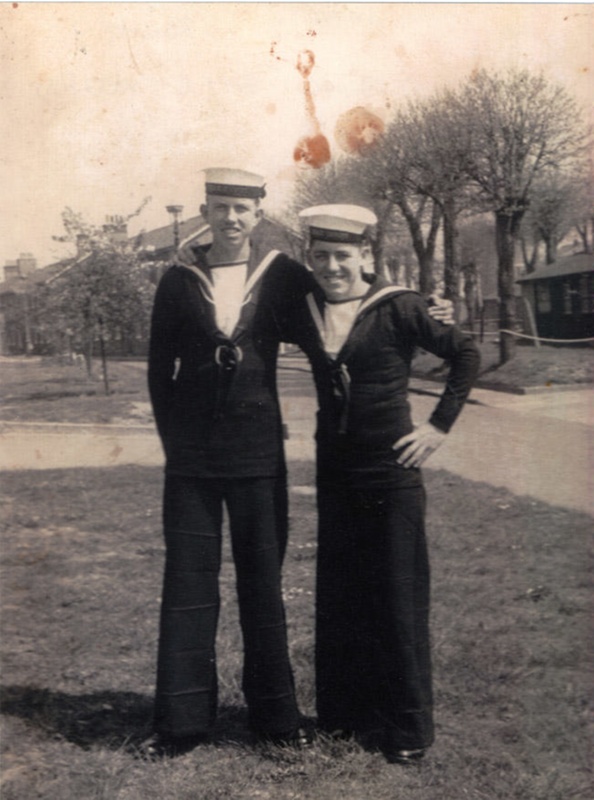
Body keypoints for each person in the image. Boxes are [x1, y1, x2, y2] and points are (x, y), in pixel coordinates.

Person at [279, 204, 480, 765]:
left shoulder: (400, 307)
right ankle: (344, 716)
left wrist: (437, 427)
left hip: (391, 473)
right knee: (341, 592)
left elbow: (466, 352)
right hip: (336, 472)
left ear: (365, 255)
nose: (332, 267)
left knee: (396, 595)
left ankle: (408, 727)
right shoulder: (304, 307)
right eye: (321, 257)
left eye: (343, 256)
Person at [146, 168, 312, 756]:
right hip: (191, 465)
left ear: (258, 216)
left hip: (257, 459)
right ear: (205, 211)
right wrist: (177, 445)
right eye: (221, 207)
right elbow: (157, 372)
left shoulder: (283, 277)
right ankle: (183, 723)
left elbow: (341, 314)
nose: (232, 219)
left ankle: (276, 721)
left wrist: (431, 309)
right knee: (189, 587)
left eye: (243, 209)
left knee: (262, 587)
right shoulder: (176, 281)